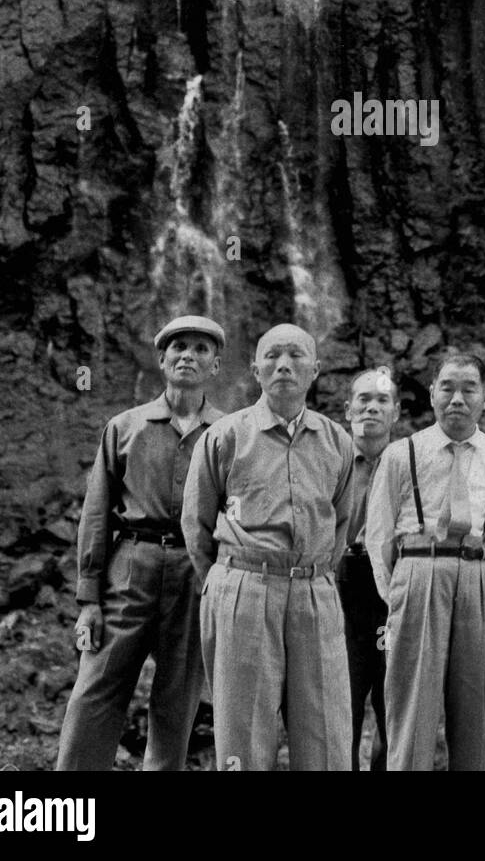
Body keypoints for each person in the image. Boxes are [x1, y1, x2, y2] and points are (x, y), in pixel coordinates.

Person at [181, 323, 354, 771]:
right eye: (272, 356)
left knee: (326, 733)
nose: (283, 365)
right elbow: (197, 524)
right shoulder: (225, 436)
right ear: (255, 369)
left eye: (296, 356)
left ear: (315, 370)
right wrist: (231, 580)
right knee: (244, 733)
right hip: (244, 589)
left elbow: (341, 523)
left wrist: (310, 573)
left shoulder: (338, 441)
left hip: (315, 594)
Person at [56, 315, 226, 771]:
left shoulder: (230, 433)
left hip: (197, 572)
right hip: (130, 564)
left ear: (215, 365)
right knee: (96, 688)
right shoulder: (124, 427)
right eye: (178, 347)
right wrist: (89, 598)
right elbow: (96, 511)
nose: (187, 354)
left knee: (178, 698)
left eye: (200, 348)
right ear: (162, 358)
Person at [366, 352, 485, 772]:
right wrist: (400, 591)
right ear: (432, 393)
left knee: (473, 708)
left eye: (469, 388)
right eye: (447, 387)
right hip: (419, 571)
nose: (457, 398)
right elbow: (379, 534)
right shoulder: (402, 454)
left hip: (479, 576)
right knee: (411, 705)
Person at [338, 366, 401, 771]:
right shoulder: (331, 457)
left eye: (382, 401)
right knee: (342, 695)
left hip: (392, 588)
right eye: (364, 399)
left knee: (392, 695)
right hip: (341, 582)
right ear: (348, 409)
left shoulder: (409, 462)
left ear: (396, 412)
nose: (372, 408)